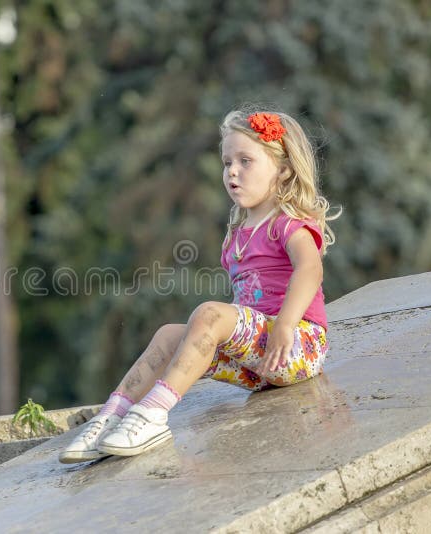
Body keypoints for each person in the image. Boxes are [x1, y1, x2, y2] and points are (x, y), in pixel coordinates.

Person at [59, 105, 338, 463]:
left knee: (208, 314)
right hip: (260, 362)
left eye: (245, 161)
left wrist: (285, 325)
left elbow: (310, 271)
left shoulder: (286, 223)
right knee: (168, 335)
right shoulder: (237, 234)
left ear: (283, 170)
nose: (232, 172)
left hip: (296, 345)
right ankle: (113, 416)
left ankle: (154, 416)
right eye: (227, 162)